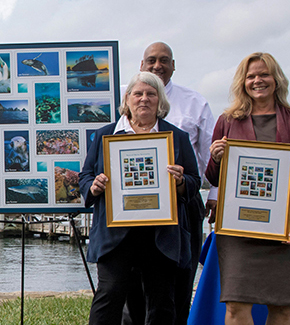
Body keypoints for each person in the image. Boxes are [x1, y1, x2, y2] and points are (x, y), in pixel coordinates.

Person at [206, 52, 290, 325]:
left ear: (276, 79)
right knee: (235, 306)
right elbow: (213, 178)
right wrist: (216, 158)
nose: (258, 81)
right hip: (238, 229)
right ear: (242, 82)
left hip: (286, 228)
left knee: (283, 308)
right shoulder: (227, 121)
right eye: (251, 76)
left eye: (264, 74)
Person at [79, 71, 200, 325]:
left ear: (160, 100)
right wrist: (94, 186)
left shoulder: (177, 137)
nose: (144, 99)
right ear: (127, 99)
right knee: (109, 295)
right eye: (138, 93)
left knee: (161, 302)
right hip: (115, 234)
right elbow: (85, 176)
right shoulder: (104, 135)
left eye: (151, 94)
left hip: (161, 234)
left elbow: (194, 181)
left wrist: (180, 181)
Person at [123, 41, 216, 325]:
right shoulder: (128, 98)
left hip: (182, 202)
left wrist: (214, 193)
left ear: (173, 65)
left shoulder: (195, 102)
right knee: (132, 282)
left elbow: (210, 155)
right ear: (141, 65)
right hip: (133, 204)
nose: (157, 65)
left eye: (164, 60)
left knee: (179, 279)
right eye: (151, 60)